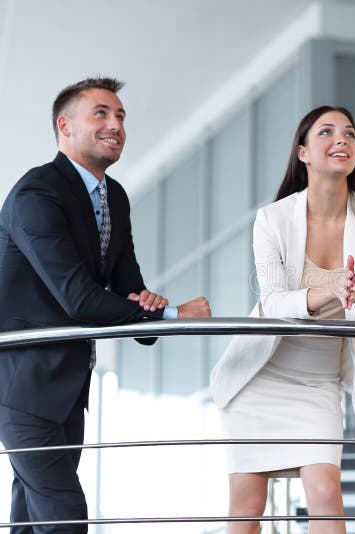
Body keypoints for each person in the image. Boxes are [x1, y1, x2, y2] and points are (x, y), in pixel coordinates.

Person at [0, 77, 211, 533]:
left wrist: (149, 306)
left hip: (69, 390)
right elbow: (78, 298)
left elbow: (130, 290)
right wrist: (171, 314)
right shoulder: (36, 193)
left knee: (30, 519)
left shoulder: (114, 197)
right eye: (101, 113)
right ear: (65, 126)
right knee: (64, 516)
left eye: (120, 116)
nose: (116, 125)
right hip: (22, 387)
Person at [210, 105, 355, 534]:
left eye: (350, 134)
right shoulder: (272, 218)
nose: (342, 140)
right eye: (327, 132)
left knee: (326, 495)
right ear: (303, 153)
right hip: (260, 376)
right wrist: (328, 288)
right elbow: (272, 303)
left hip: (319, 384)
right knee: (247, 505)